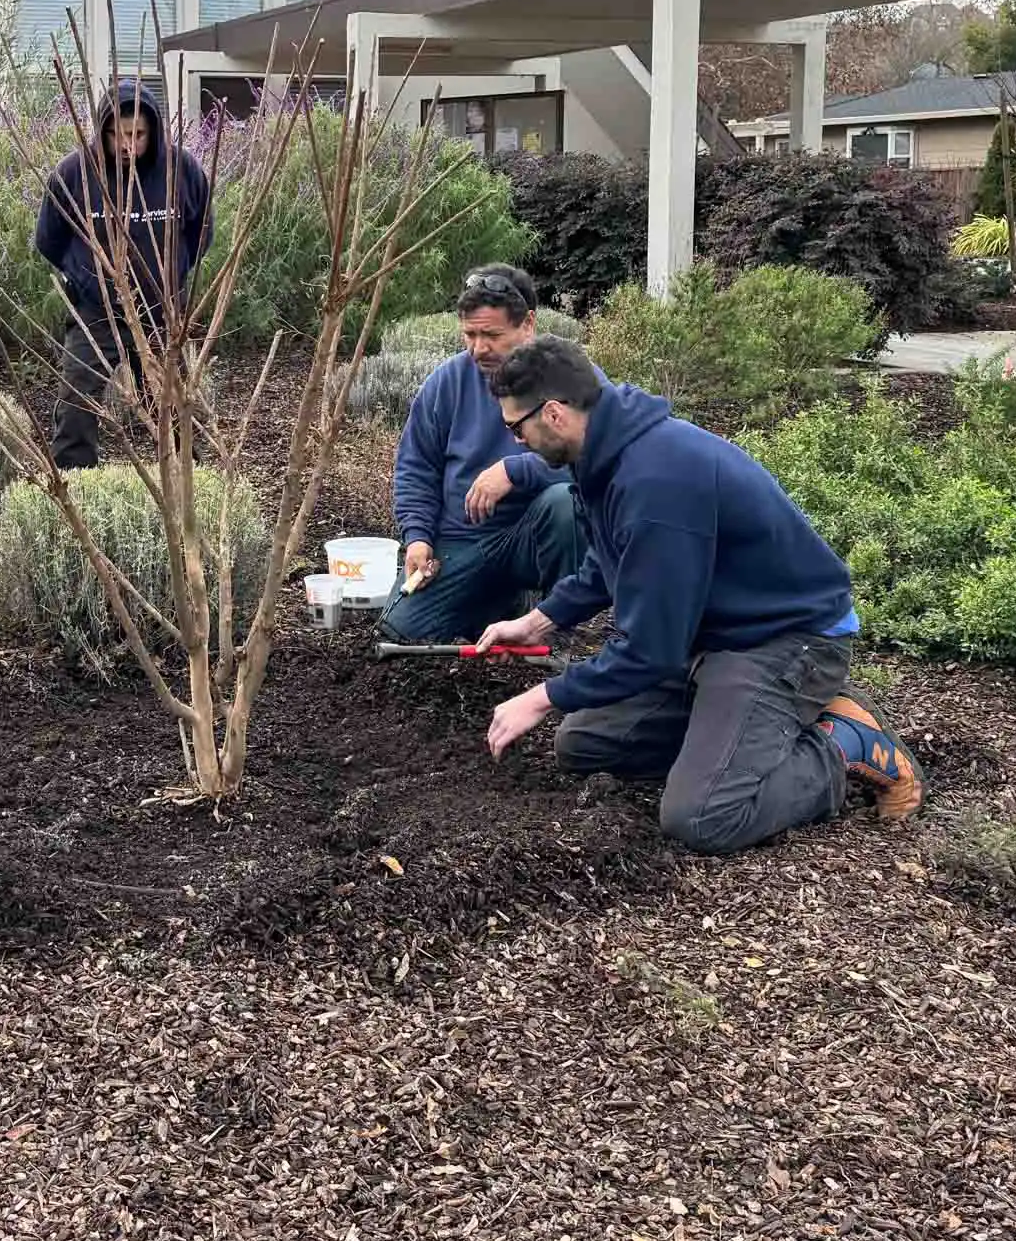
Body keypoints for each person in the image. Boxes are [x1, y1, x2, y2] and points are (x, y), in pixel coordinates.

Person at [474, 334, 924, 853]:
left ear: (553, 413)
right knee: (582, 744)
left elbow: (649, 650)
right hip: (711, 636)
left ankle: (846, 741)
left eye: (516, 427)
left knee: (703, 816)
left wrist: (541, 696)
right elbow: (609, 558)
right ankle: (737, 735)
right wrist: (537, 622)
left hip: (782, 639)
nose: (515, 442)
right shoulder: (602, 454)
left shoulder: (656, 482)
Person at [380, 263, 584, 643]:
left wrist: (515, 470)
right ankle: (500, 602)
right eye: (469, 334)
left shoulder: (569, 379)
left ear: (528, 325)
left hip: (532, 539)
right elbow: (416, 467)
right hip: (461, 542)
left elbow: (596, 462)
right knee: (400, 631)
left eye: (491, 334)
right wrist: (419, 536)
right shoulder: (447, 382)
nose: (478, 348)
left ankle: (555, 622)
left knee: (565, 503)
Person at [32, 81, 213, 469]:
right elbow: (49, 239)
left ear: (154, 131)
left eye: (138, 135)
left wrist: (172, 276)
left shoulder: (182, 171)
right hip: (97, 311)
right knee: (77, 397)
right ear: (102, 132)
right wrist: (84, 279)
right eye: (117, 135)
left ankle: (188, 481)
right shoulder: (72, 174)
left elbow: (201, 233)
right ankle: (77, 482)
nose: (128, 145)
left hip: (161, 312)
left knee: (173, 401)